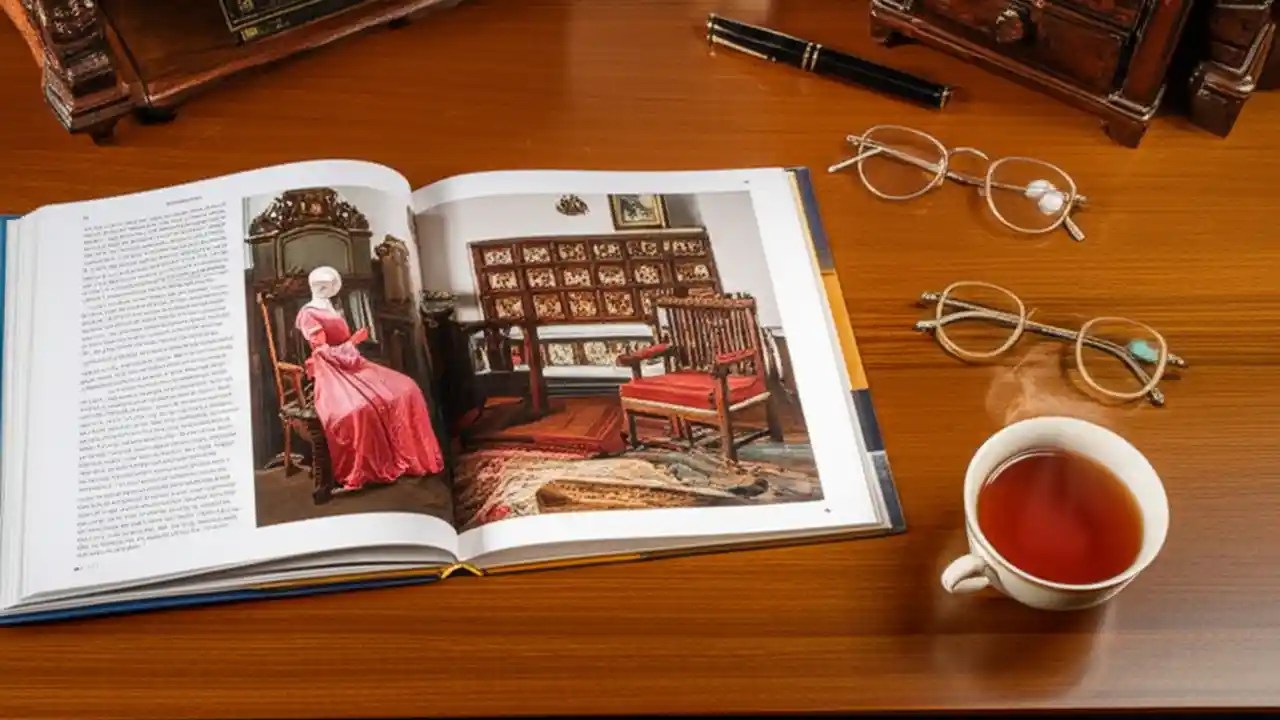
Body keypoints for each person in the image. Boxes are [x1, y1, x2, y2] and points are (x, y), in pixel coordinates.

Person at [295, 266, 445, 490]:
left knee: (407, 388)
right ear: (315, 286)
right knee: (359, 410)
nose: (330, 289)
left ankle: (408, 457)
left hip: (352, 363)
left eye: (331, 285)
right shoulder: (308, 313)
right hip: (331, 369)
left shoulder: (330, 306)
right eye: (324, 286)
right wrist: (353, 342)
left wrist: (351, 344)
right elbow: (322, 350)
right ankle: (367, 468)